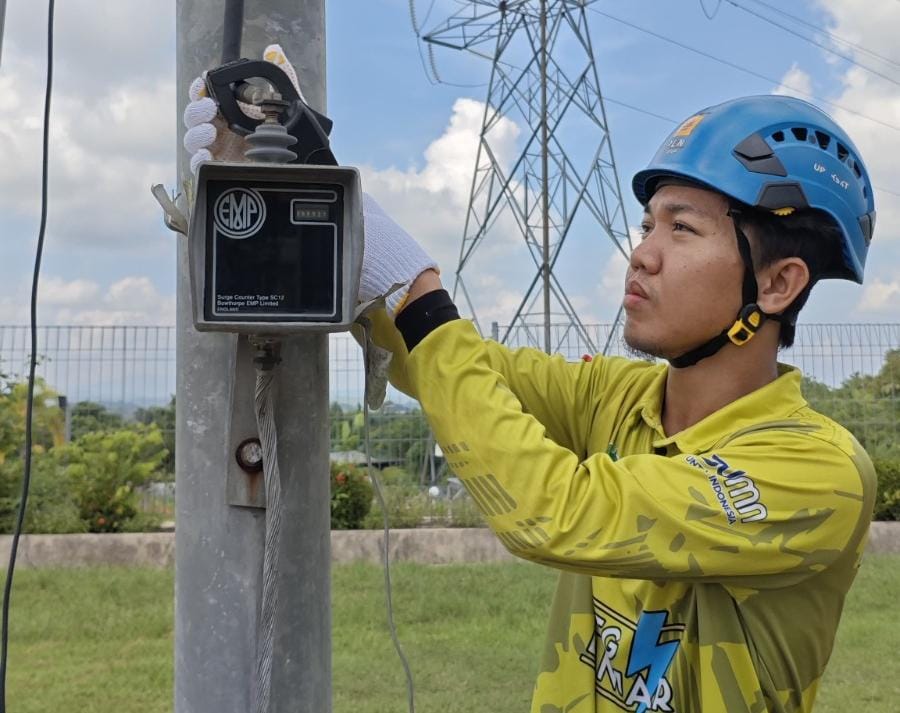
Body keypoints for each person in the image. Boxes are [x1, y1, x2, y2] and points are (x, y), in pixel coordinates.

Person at [185, 51, 877, 713]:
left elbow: (558, 509)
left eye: (683, 229)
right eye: (647, 224)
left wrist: (420, 291)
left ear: (778, 283)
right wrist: (315, 195)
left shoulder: (817, 472)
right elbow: (463, 371)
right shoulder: (620, 399)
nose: (642, 253)